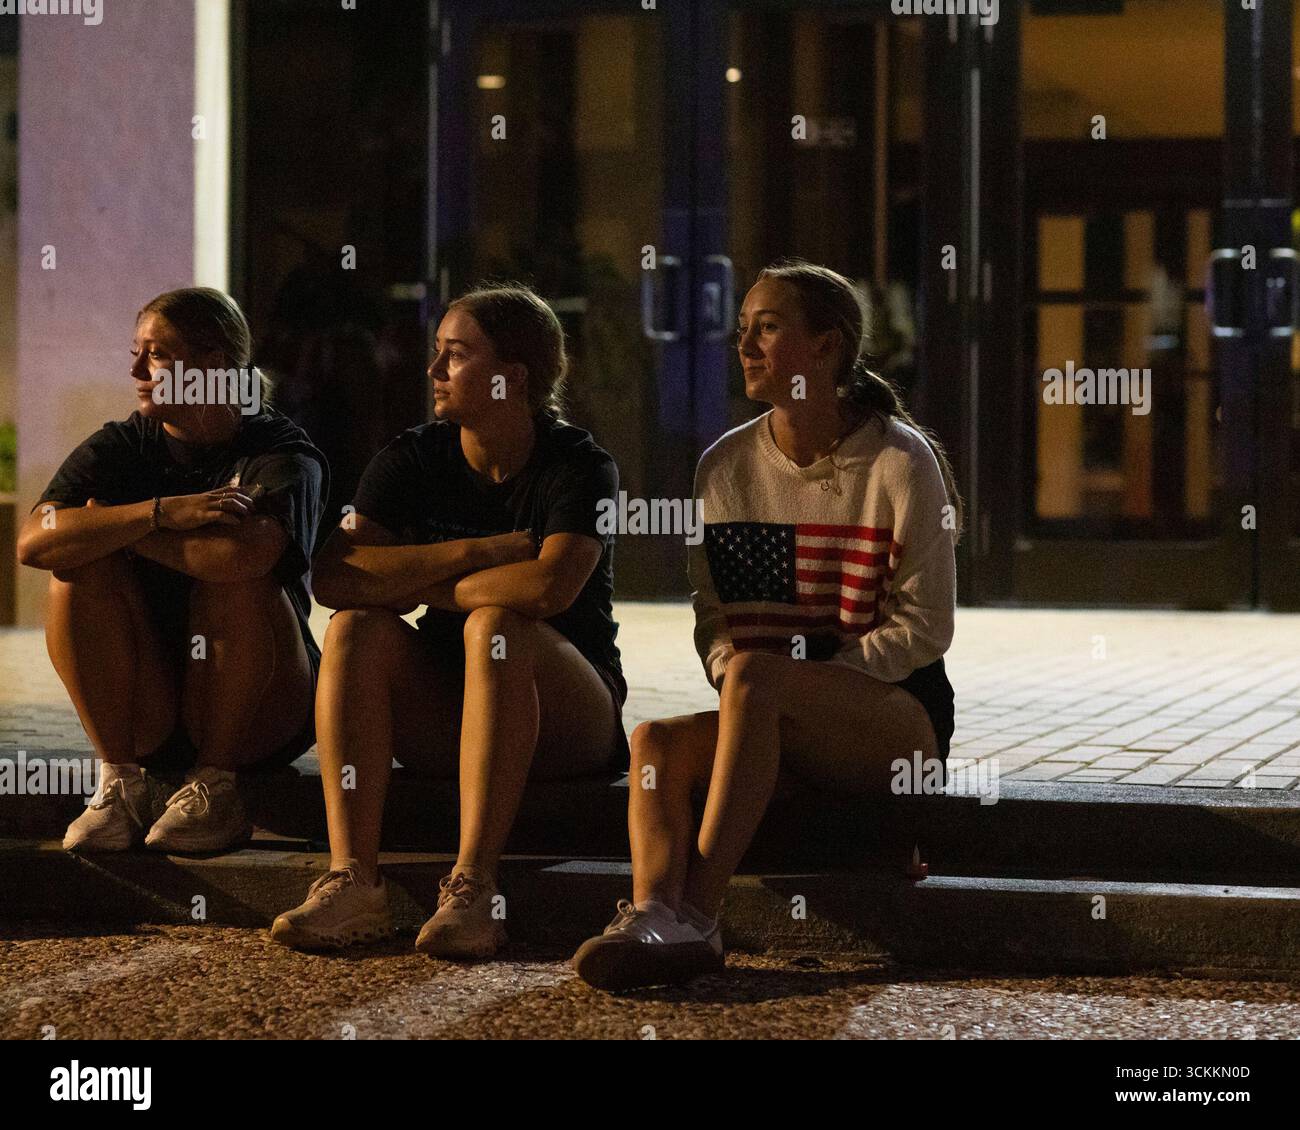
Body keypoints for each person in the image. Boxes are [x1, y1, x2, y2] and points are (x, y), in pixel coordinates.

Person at [572, 259, 960, 991]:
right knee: (655, 740)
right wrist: (746, 684)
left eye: (769, 328)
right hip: (770, 710)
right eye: (743, 329)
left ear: (827, 347)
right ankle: (653, 913)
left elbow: (924, 629)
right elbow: (716, 617)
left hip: (892, 720)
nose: (746, 345)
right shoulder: (727, 465)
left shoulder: (900, 462)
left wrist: (792, 685)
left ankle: (699, 913)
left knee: (754, 680)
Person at [270, 283, 627, 957]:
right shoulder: (413, 456)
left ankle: (473, 885)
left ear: (511, 378)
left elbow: (549, 587)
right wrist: (478, 552)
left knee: (496, 626)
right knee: (355, 628)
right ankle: (353, 881)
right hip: (452, 715)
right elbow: (338, 579)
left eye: (455, 356)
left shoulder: (579, 465)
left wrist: (412, 578)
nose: (433, 372)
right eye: (437, 355)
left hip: (570, 719)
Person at [18, 287, 328, 854]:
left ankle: (218, 783)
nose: (136, 369)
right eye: (135, 351)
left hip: (262, 710)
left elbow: (242, 557)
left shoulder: (278, 448)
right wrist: (162, 514)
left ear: (213, 367)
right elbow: (36, 543)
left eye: (156, 354)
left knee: (228, 584)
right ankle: (120, 783)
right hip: (151, 706)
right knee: (72, 575)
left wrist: (118, 534)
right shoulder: (122, 444)